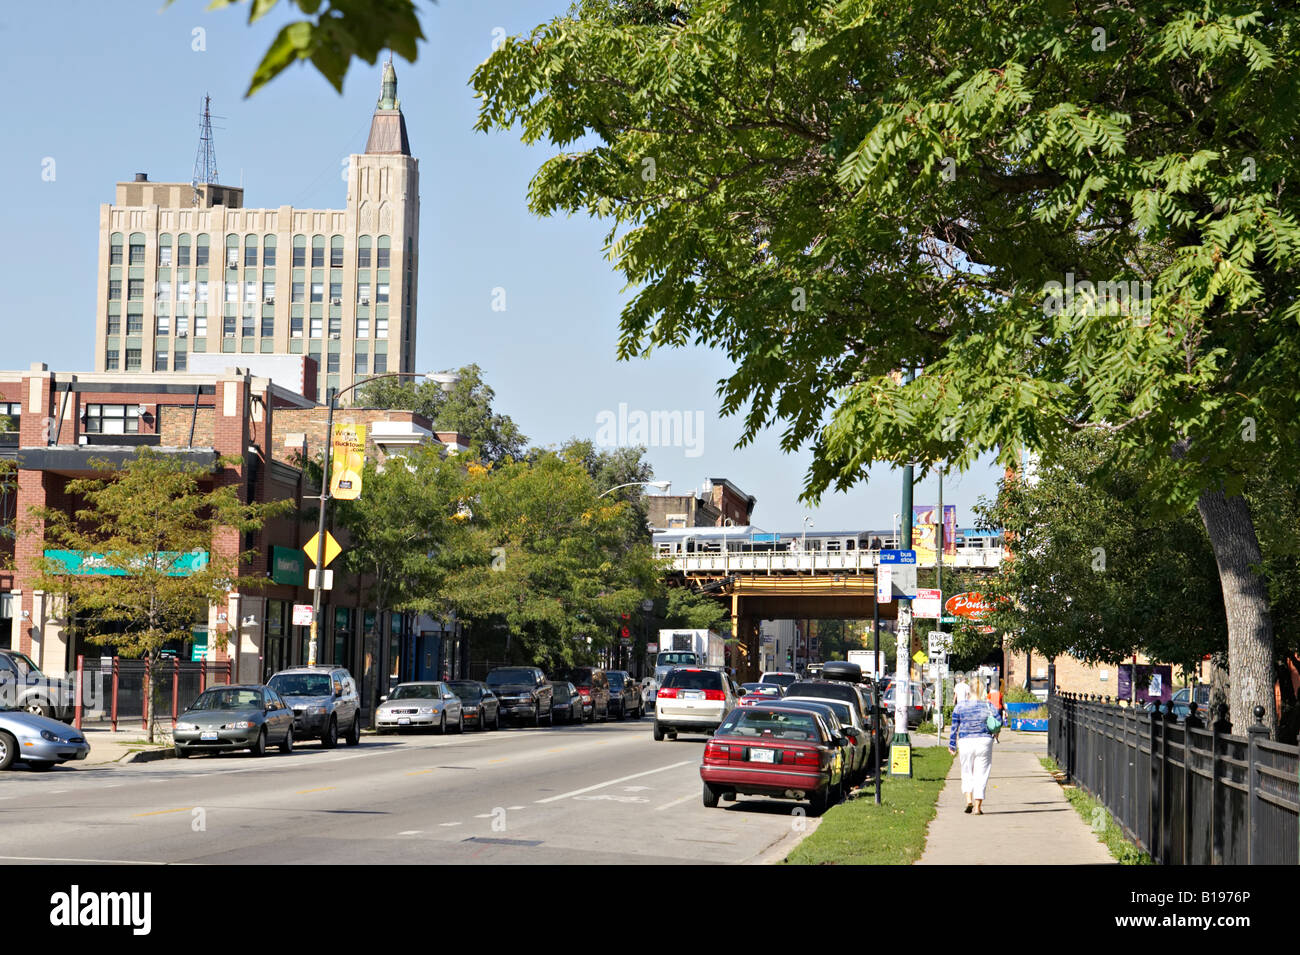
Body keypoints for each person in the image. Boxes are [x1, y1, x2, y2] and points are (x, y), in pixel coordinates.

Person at [948, 682, 998, 815]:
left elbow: (954, 727)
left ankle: (968, 799)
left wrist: (952, 744)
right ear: (983, 691)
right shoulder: (988, 706)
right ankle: (977, 807)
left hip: (966, 741)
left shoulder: (960, 706)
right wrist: (995, 735)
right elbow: (998, 722)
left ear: (969, 691)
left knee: (966, 770)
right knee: (982, 773)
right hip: (984, 741)